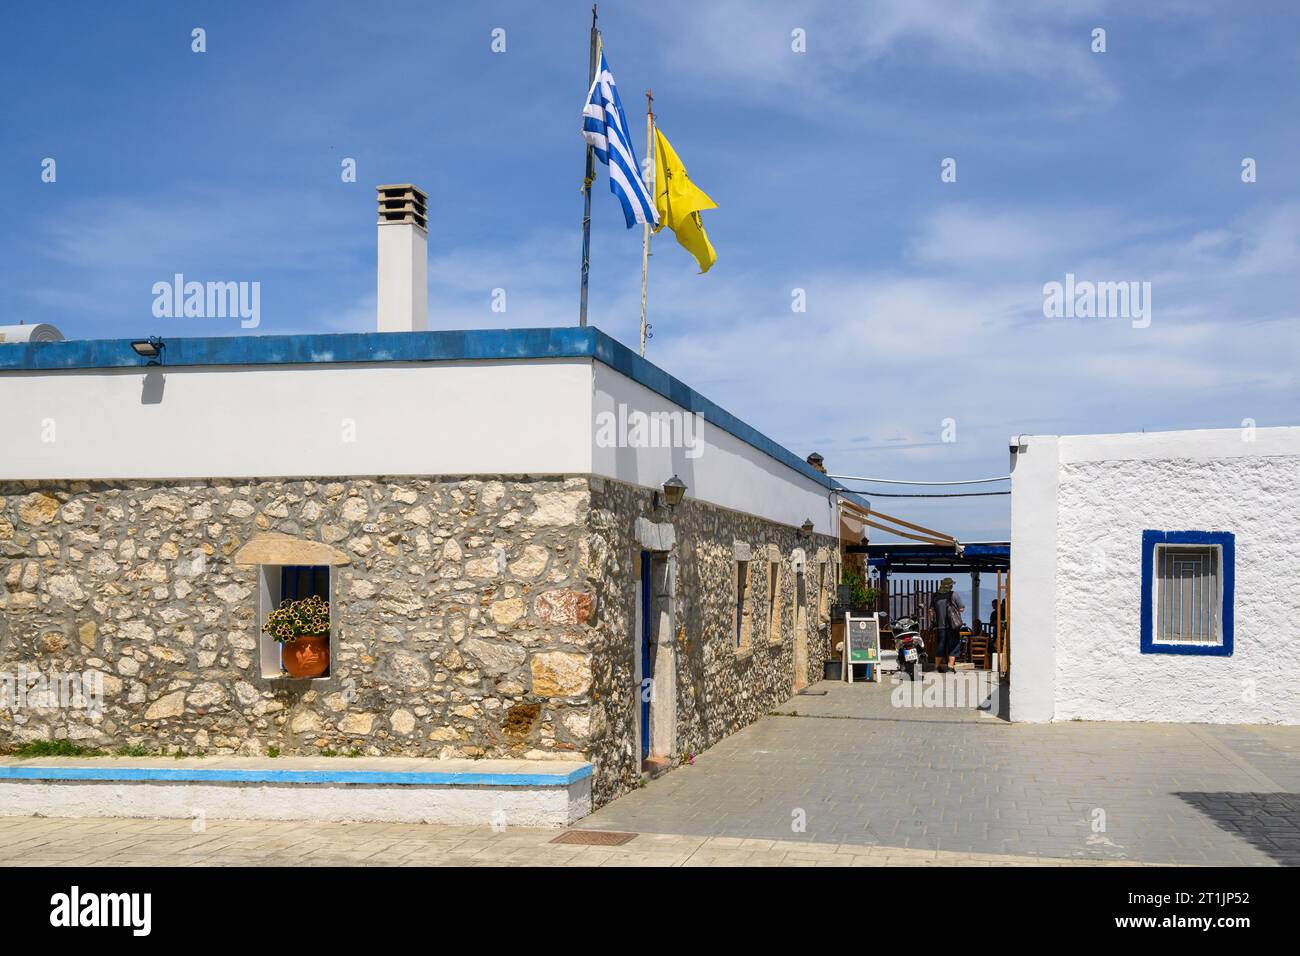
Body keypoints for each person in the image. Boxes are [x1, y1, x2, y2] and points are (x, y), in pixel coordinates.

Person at [930, 578, 966, 673]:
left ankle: (937, 666)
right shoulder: (954, 594)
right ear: (950, 586)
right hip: (952, 626)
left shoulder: (936, 596)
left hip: (940, 626)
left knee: (940, 646)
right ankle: (950, 666)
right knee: (953, 645)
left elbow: (931, 611)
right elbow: (962, 608)